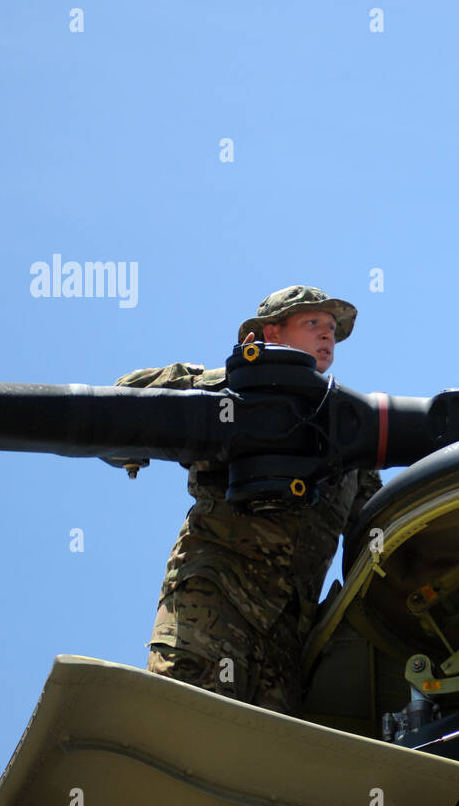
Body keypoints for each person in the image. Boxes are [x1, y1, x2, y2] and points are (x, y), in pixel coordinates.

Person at [115, 285, 382, 718]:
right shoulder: (229, 396)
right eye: (312, 323)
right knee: (184, 729)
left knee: (262, 767)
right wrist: (225, 386)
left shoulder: (347, 435)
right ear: (267, 336)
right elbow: (123, 398)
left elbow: (375, 532)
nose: (327, 336)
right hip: (216, 602)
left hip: (287, 637)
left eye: (331, 329)